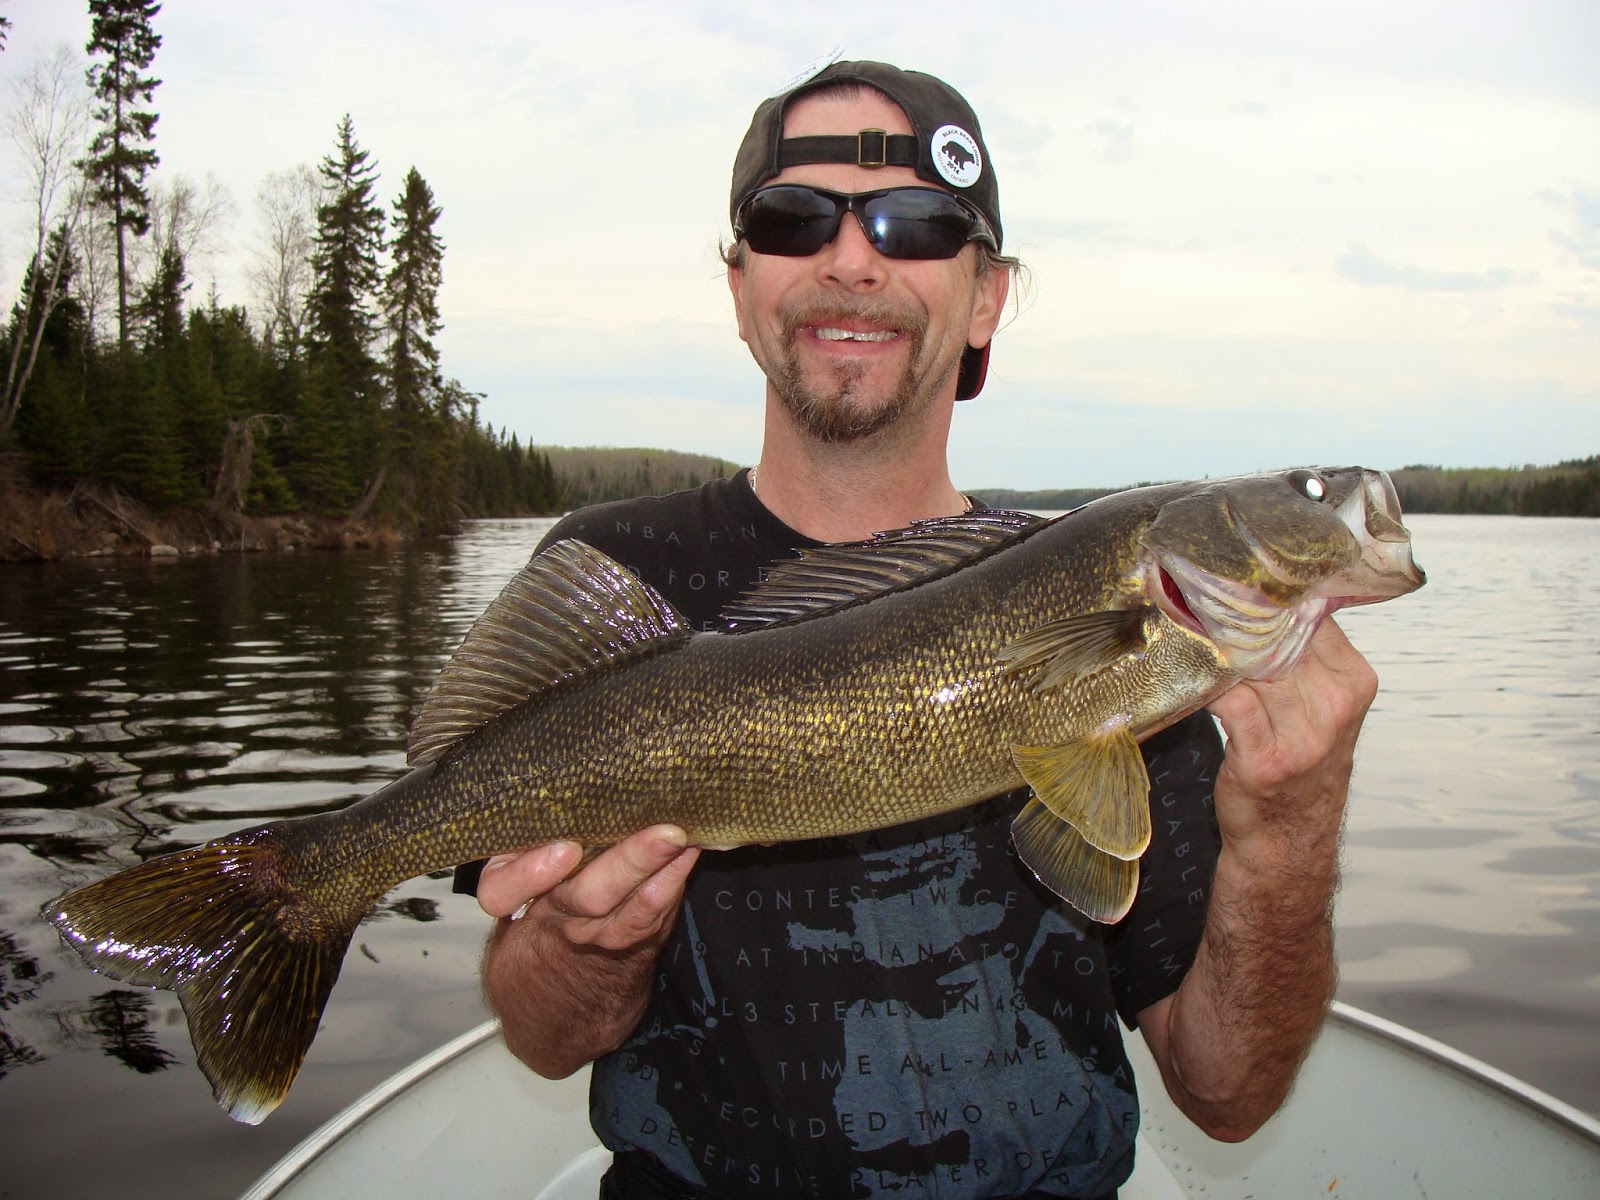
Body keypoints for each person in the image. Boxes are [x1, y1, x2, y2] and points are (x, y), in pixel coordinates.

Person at [455, 60, 1377, 1199]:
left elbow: (1227, 1096)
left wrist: (1289, 829)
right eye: (794, 221)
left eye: (918, 226)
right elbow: (546, 1039)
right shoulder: (613, 578)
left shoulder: (1141, 642)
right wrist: (578, 948)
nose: (853, 260)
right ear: (738, 282)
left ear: (988, 295)